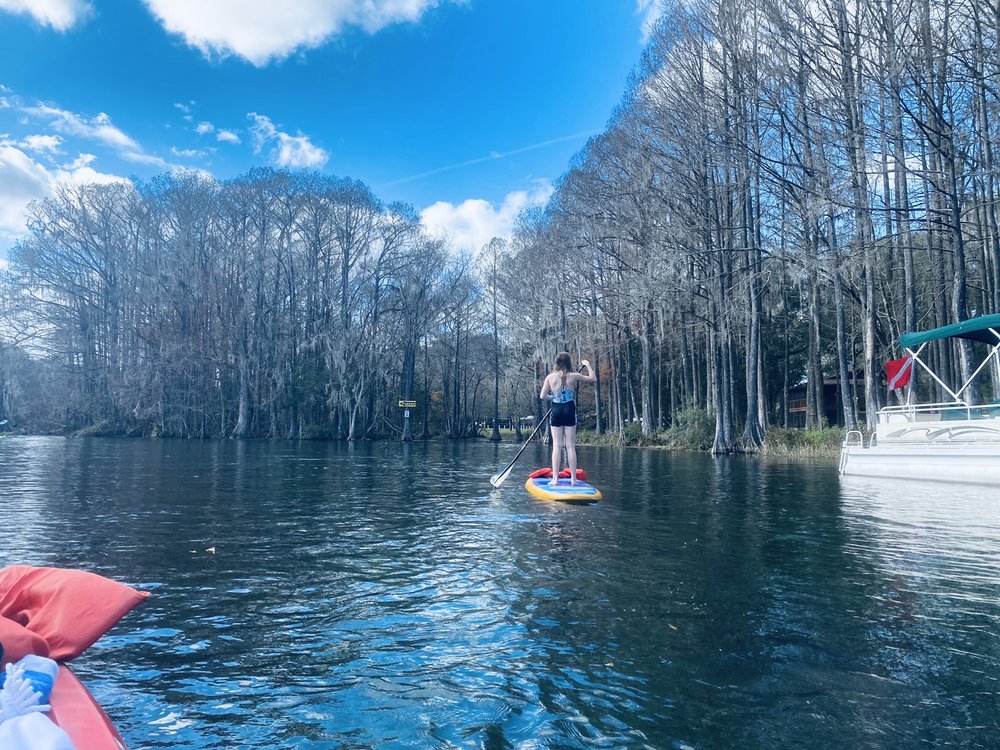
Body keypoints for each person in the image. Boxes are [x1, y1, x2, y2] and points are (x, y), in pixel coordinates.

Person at [539, 352, 595, 486]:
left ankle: (555, 479)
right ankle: (574, 480)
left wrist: (554, 397)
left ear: (556, 363)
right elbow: (593, 379)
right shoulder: (574, 376)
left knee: (557, 446)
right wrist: (588, 365)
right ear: (569, 363)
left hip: (557, 410)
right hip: (569, 409)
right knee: (570, 446)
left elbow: (542, 396)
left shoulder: (550, 377)